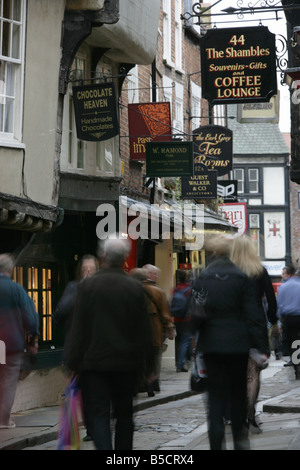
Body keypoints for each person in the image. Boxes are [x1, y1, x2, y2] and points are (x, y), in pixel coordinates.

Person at [66, 237, 152, 450]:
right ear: (124, 259)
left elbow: (79, 327)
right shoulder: (134, 287)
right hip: (126, 364)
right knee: (124, 416)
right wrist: (149, 366)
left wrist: (72, 360)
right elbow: (143, 331)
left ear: (102, 257)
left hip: (94, 365)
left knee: (99, 416)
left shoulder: (88, 286)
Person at [191, 234, 269, 450]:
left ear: (210, 253)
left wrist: (195, 337)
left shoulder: (203, 278)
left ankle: (216, 444)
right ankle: (240, 441)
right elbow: (253, 314)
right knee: (237, 396)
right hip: (237, 345)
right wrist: (260, 346)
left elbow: (196, 313)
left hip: (212, 347)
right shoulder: (241, 277)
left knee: (215, 400)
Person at [230, 235, 277, 434]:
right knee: (253, 373)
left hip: (233, 325)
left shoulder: (228, 272)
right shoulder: (260, 271)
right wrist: (273, 321)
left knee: (235, 373)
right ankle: (251, 416)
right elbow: (272, 301)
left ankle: (237, 416)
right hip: (256, 324)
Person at [53, 254, 99, 442]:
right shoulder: (73, 288)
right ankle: (89, 428)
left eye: (91, 268)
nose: (88, 271)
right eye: (85, 268)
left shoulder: (103, 288)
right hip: (79, 352)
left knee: (96, 392)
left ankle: (96, 427)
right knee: (81, 392)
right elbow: (60, 314)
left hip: (98, 350)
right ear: (80, 271)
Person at [0, 254, 39, 429]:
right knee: (8, 380)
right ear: (10, 270)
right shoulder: (16, 289)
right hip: (11, 344)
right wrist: (33, 339)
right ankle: (3, 420)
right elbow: (30, 317)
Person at [142, 264, 175, 393]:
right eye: (155, 274)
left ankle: (143, 384)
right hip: (155, 330)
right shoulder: (159, 292)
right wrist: (169, 327)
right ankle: (153, 383)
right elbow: (165, 313)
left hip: (139, 331)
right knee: (154, 358)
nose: (157, 277)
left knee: (143, 358)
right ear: (150, 275)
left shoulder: (135, 289)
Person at [277, 269, 300, 379]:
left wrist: (279, 321)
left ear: (289, 274)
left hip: (289, 319)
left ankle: (296, 366)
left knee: (293, 342)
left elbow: (280, 305)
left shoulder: (282, 287)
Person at [171, 270, 192, 372]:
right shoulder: (190, 289)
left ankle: (182, 361)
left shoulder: (176, 289)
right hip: (187, 319)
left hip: (177, 318)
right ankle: (181, 364)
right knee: (185, 340)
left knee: (180, 340)